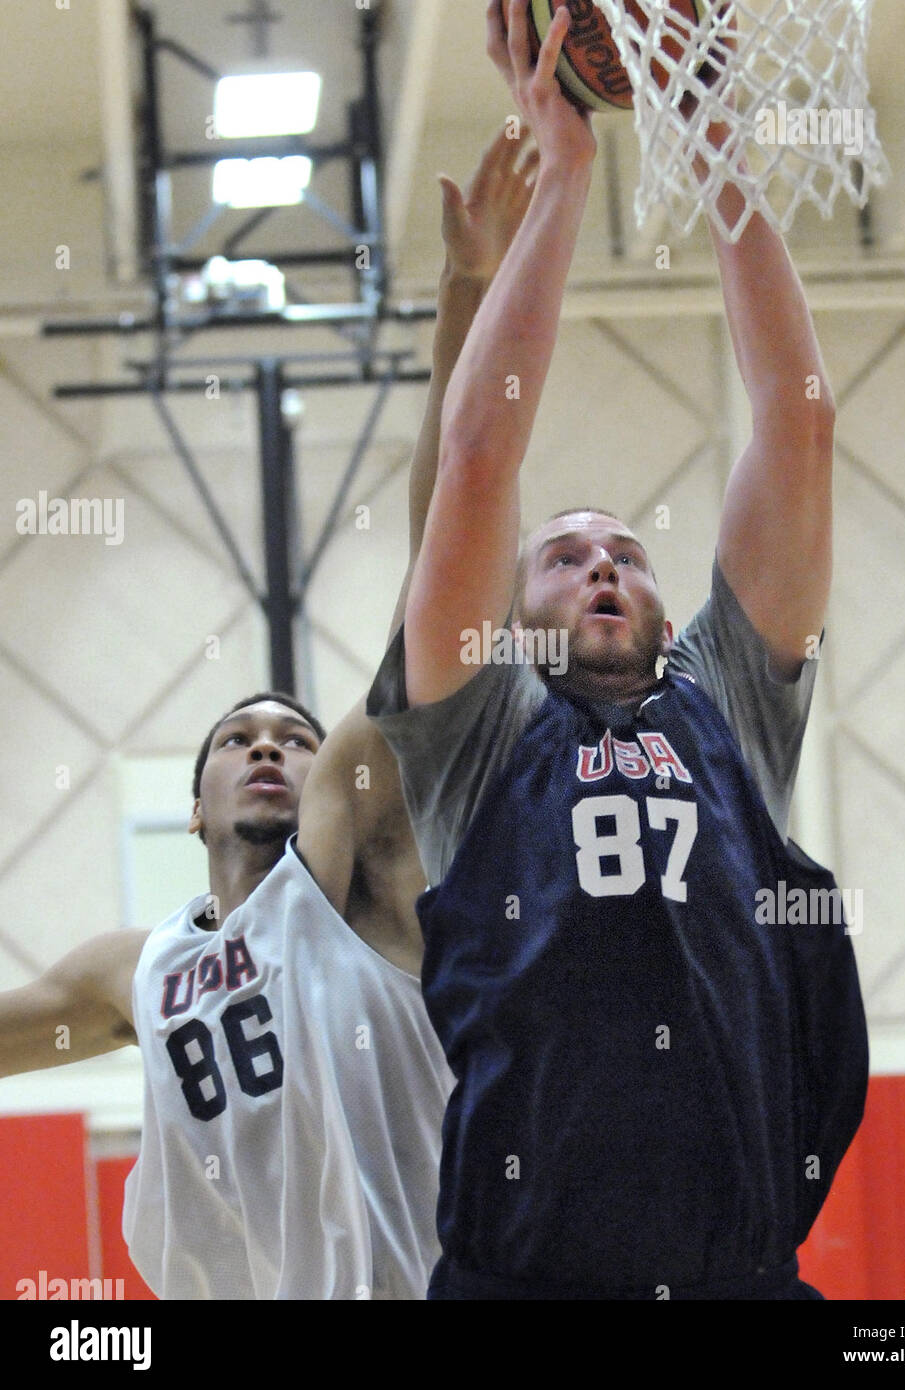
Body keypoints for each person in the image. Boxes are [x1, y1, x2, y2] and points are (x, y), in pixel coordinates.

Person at [368, 0, 868, 1300]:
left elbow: (797, 422)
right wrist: (567, 179)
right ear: (511, 616)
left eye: (629, 552)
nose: (602, 560)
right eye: (566, 551)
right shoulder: (475, 723)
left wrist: (718, 156)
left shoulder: (729, 703)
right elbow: (481, 457)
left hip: (739, 1277)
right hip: (524, 1282)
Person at [0, 128, 540, 1300]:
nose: (266, 747)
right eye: (235, 738)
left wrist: (463, 293)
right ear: (189, 810)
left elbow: (451, 554)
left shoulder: (362, 886)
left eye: (294, 738)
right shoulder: (132, 974)